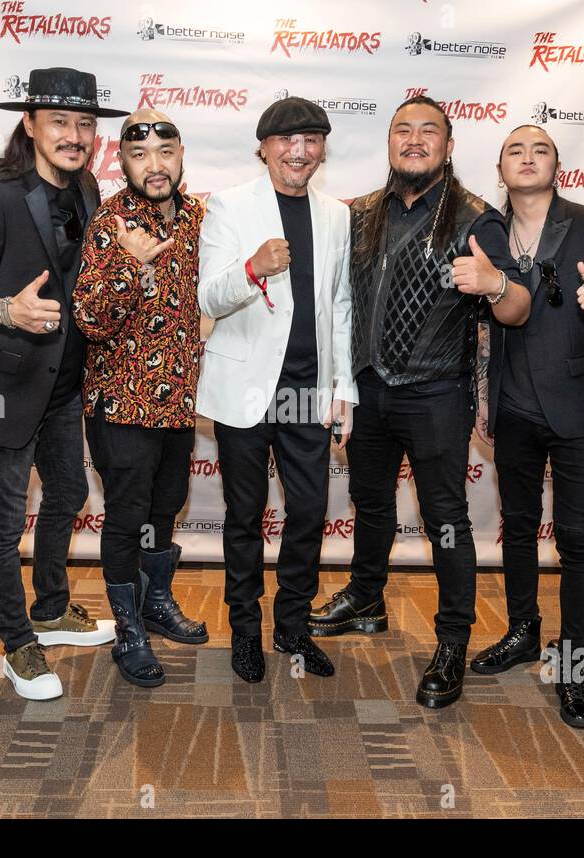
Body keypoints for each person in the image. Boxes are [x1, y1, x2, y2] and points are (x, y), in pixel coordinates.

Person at [308, 96, 532, 709]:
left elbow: (517, 307)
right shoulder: (361, 212)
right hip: (369, 387)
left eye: (428, 130)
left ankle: (453, 638)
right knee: (369, 501)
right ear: (388, 144)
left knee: (447, 521)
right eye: (401, 130)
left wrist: (498, 285)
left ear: (449, 146)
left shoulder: (478, 217)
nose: (414, 140)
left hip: (438, 390)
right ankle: (367, 597)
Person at [0, 68, 123, 700]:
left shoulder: (90, 190)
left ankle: (50, 607)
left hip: (66, 385)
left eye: (84, 124)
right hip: (5, 386)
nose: (74, 136)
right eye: (60, 123)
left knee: (71, 488)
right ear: (30, 124)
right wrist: (6, 312)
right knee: (2, 522)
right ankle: (18, 641)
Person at [471, 125, 584, 728]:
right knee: (516, 528)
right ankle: (522, 632)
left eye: (540, 149)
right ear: (501, 168)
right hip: (512, 404)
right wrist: (485, 394)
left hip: (580, 405)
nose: (528, 157)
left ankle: (569, 660)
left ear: (557, 166)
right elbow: (482, 325)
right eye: (516, 150)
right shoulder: (487, 231)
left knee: (577, 539)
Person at [197, 97, 356, 683]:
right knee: (245, 515)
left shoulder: (336, 214)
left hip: (306, 392)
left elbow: (340, 305)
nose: (299, 150)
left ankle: (292, 627)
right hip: (245, 388)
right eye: (286, 140)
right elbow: (207, 297)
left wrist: (342, 389)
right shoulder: (228, 205)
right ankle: (244, 632)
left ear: (322, 149)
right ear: (263, 148)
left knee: (309, 511)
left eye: (311, 139)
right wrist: (251, 269)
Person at [74, 110, 208, 688]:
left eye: (165, 151)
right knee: (127, 517)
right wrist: (133, 263)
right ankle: (127, 626)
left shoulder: (201, 216)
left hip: (178, 401)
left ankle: (157, 600)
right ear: (121, 161)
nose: (154, 165)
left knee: (165, 507)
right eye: (139, 155)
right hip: (121, 403)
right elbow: (89, 318)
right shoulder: (111, 221)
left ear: (181, 154)